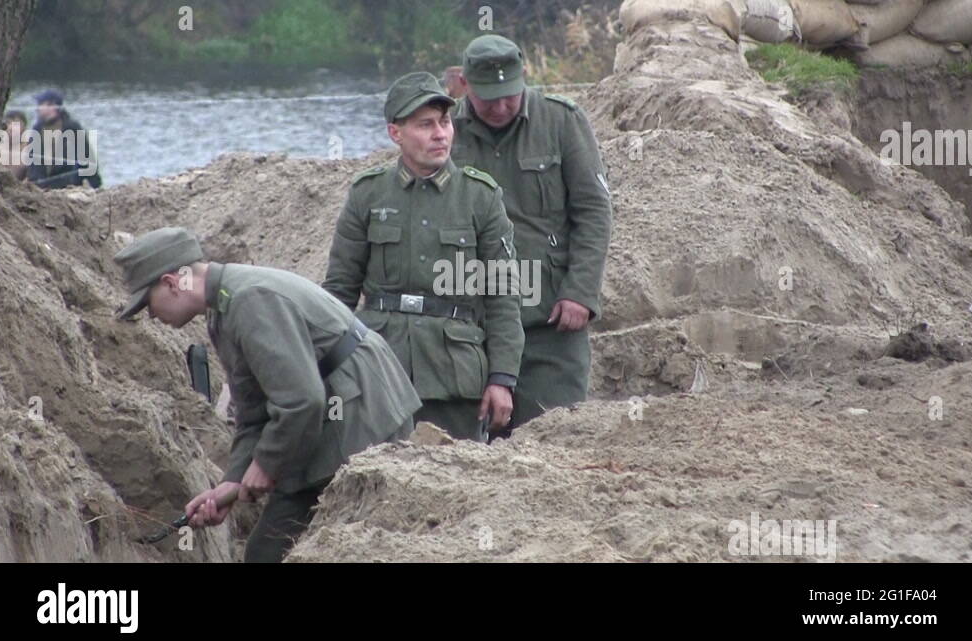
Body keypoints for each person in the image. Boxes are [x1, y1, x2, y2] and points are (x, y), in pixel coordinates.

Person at [113, 227, 421, 563]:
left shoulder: (248, 301)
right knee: (268, 548)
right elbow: (254, 412)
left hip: (362, 407)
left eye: (148, 304)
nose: (152, 315)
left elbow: (302, 400)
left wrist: (265, 465)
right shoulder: (223, 307)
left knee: (314, 542)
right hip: (336, 403)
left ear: (172, 283)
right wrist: (230, 484)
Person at [323, 72, 524, 442]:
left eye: (445, 122)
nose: (440, 134)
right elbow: (338, 292)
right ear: (395, 133)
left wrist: (502, 379)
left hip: (455, 376)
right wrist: (325, 368)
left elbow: (503, 297)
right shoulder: (368, 194)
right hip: (381, 370)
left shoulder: (481, 196)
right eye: (425, 125)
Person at [452, 35, 612, 433]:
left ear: (524, 77)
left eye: (510, 94)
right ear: (465, 85)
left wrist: (581, 290)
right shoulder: (445, 132)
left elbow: (593, 209)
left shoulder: (562, 121)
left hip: (550, 323)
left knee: (558, 434)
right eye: (489, 98)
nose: (502, 106)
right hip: (472, 323)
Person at [26, 89, 102, 189]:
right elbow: (33, 164)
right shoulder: (37, 129)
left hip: (69, 185)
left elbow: (88, 160)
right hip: (43, 186)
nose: (38, 109)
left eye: (41, 104)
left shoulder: (72, 127)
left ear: (53, 106)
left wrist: (95, 186)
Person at [0, 110, 29, 180]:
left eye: (16, 124)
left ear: (24, 128)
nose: (11, 128)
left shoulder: (30, 151)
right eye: (8, 123)